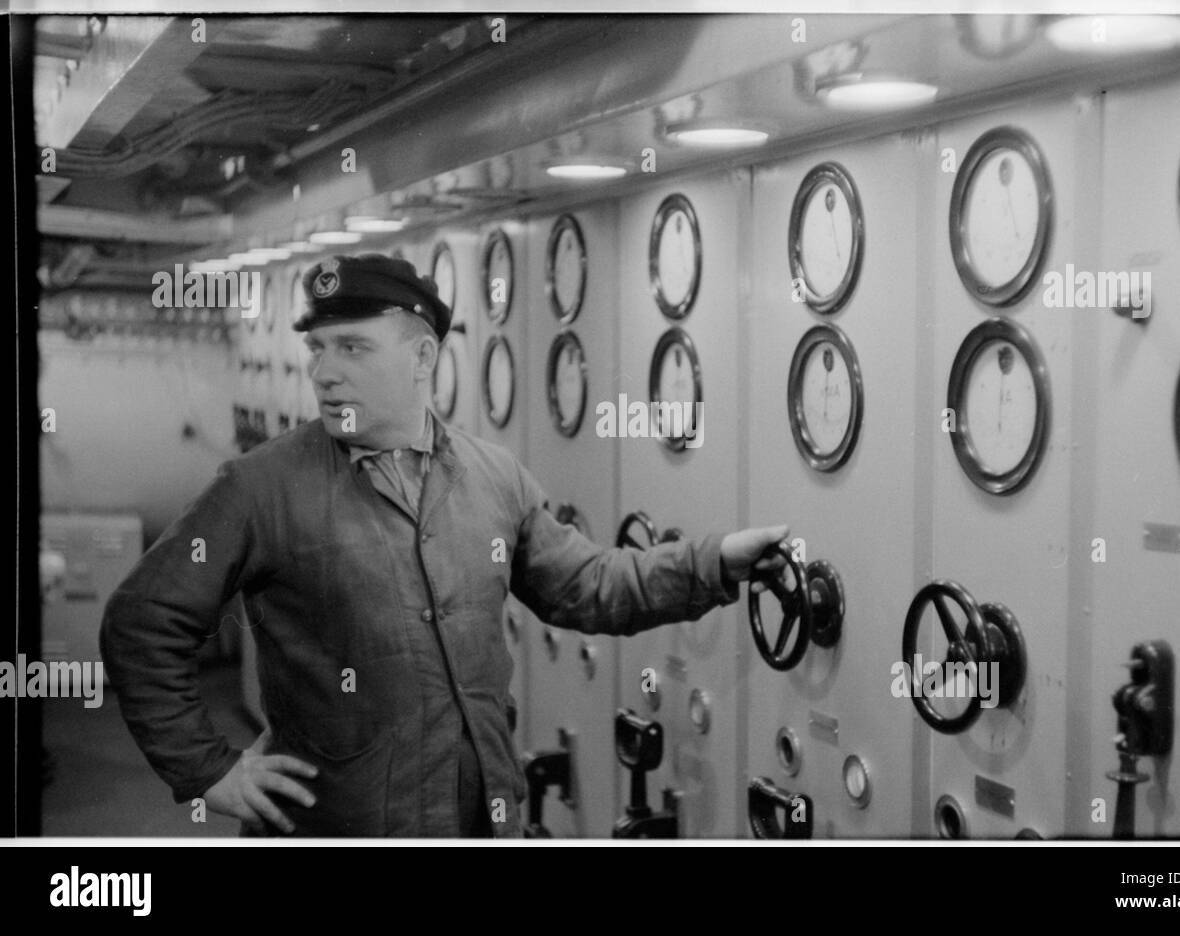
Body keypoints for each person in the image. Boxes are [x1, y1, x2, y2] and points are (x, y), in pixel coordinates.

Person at [101, 253, 788, 838]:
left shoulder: (492, 477)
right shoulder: (261, 488)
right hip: (339, 826)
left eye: (353, 348)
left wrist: (713, 561)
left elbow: (590, 585)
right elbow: (142, 622)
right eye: (317, 349)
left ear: (423, 355)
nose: (324, 372)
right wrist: (208, 770)